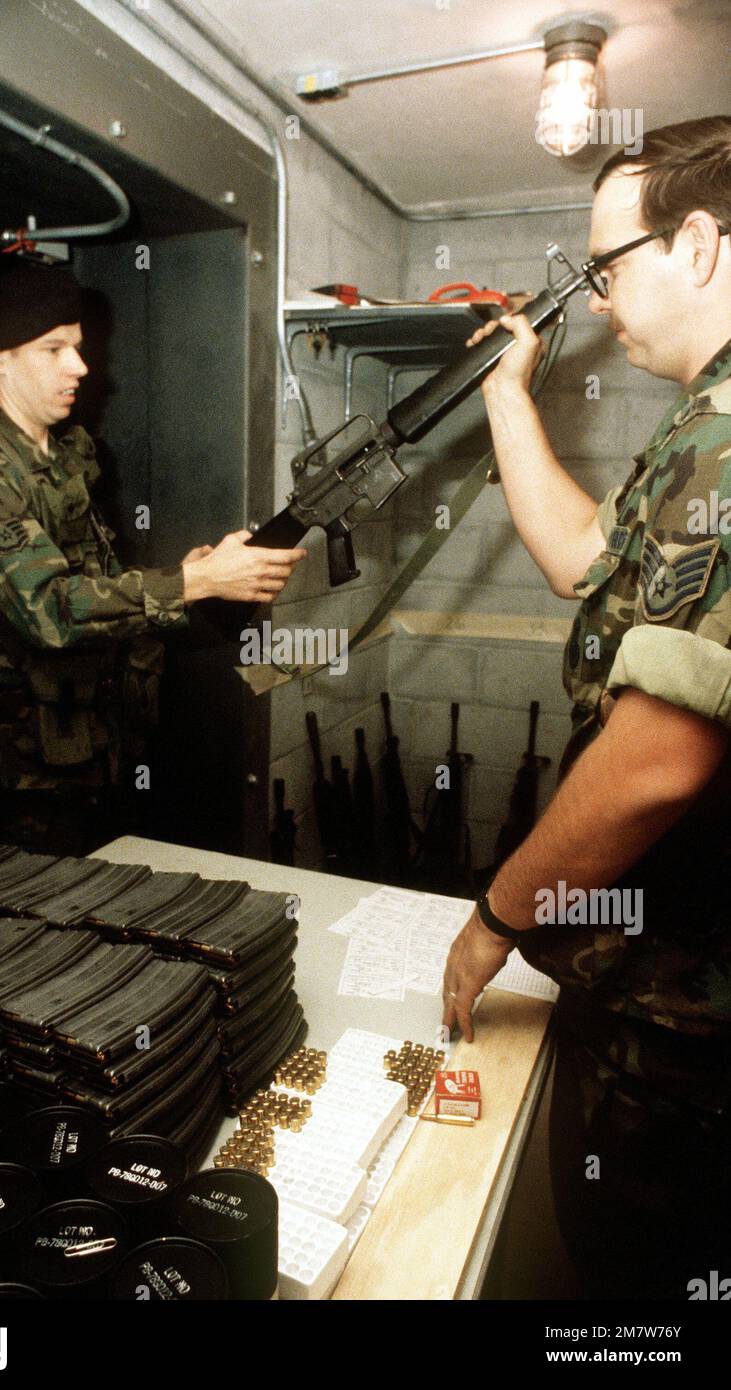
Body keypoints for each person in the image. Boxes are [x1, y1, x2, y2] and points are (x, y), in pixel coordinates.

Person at [440, 116, 731, 1299]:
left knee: (630, 1281)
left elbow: (659, 760)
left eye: (610, 262)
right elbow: (582, 559)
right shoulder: (699, 425)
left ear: (697, 244)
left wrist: (498, 914)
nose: (599, 295)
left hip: (685, 1015)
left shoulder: (725, 438)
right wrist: (507, 393)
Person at [0, 262, 305, 851]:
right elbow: (50, 610)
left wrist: (203, 581)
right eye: (53, 349)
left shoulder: (64, 456)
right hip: (21, 771)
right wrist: (192, 581)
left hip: (91, 744)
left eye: (77, 348)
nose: (79, 366)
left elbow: (97, 586)